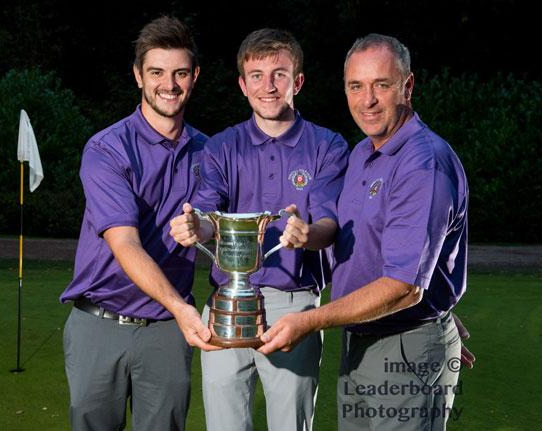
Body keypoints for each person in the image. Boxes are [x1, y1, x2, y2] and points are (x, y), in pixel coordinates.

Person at [259, 33, 474, 430]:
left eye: (381, 85)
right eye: (356, 86)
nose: (367, 100)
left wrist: (309, 321)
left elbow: (404, 286)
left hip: (404, 345)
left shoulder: (422, 164)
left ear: (407, 86)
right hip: (362, 340)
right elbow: (382, 250)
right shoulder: (362, 153)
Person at [170, 28, 349, 431]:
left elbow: (329, 223)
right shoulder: (221, 146)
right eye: (257, 76)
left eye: (279, 75)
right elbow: (208, 211)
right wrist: (195, 226)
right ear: (242, 85)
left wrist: (307, 235)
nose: (268, 86)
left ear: (297, 82)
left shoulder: (328, 145)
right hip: (226, 303)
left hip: (294, 305)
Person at [59, 16, 217, 431]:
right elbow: (125, 243)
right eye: (157, 72)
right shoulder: (106, 149)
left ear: (195, 76)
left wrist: (206, 227)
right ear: (138, 76)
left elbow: (217, 223)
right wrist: (182, 308)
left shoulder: (210, 153)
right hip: (100, 322)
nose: (169, 84)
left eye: (180, 73)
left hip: (166, 331)